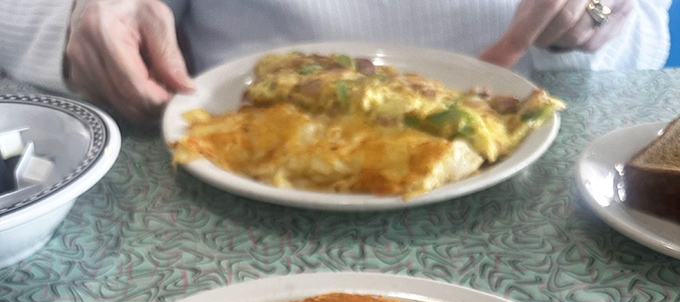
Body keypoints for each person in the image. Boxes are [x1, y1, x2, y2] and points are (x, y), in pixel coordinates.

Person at [0, 0, 671, 121]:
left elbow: (648, 43)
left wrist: (595, 20)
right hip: (212, 162)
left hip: (529, 177)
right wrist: (72, 18)